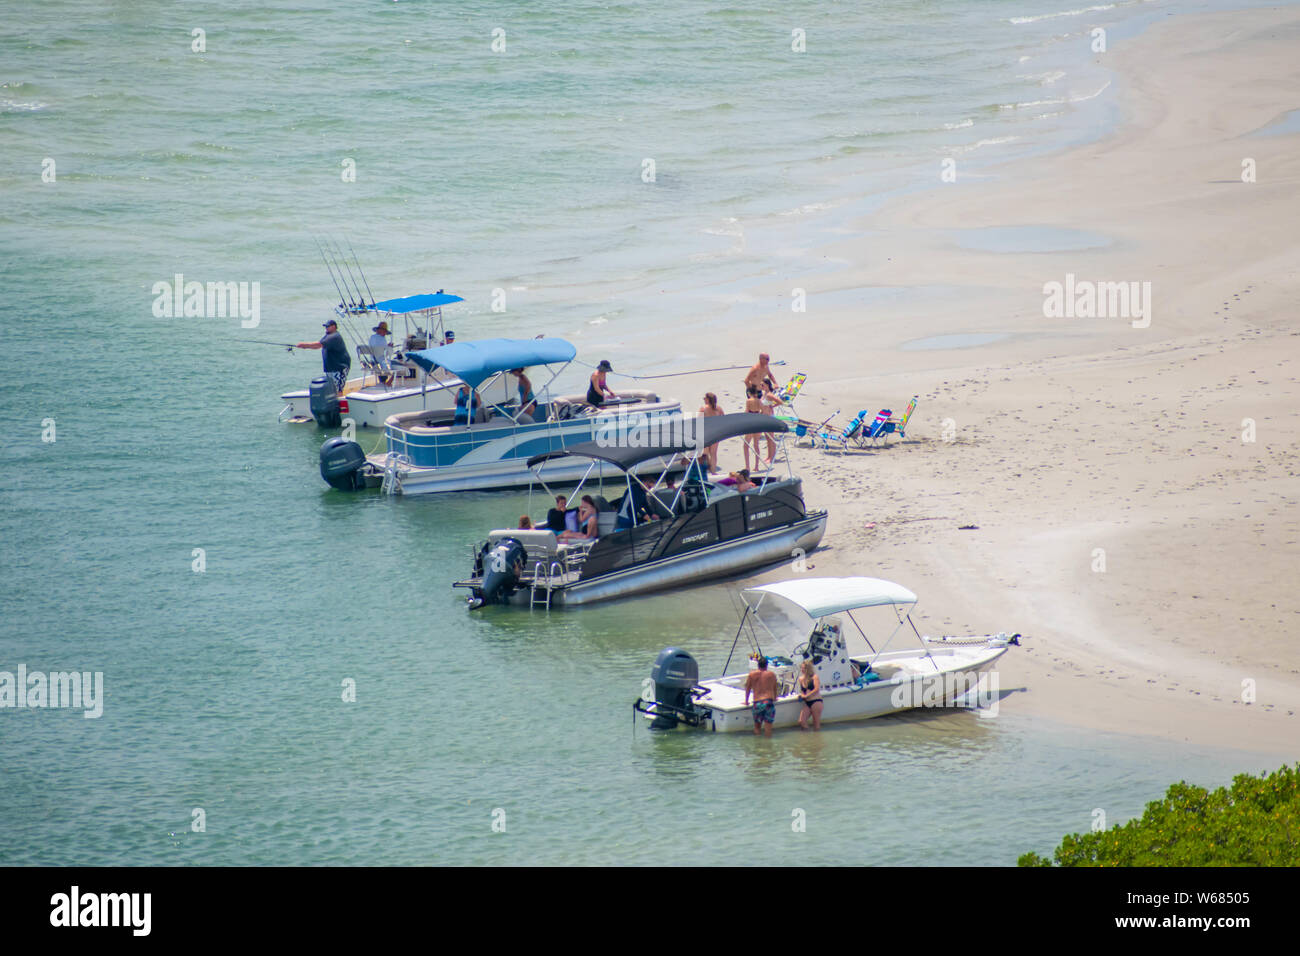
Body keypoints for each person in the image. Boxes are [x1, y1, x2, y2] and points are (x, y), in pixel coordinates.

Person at [296, 318, 352, 394]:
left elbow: (319, 345)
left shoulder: (334, 336)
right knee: (331, 389)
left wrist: (304, 345)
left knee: (337, 389)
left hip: (339, 368)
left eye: (328, 326)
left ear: (334, 327)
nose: (326, 328)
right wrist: (305, 347)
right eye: (325, 326)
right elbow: (317, 346)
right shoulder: (327, 336)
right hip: (330, 368)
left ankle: (339, 402)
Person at [744, 655, 779, 737]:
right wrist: (775, 697)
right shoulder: (771, 674)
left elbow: (748, 688)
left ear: (758, 665)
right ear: (767, 665)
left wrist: (746, 701)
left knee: (757, 727)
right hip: (768, 702)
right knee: (768, 728)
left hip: (757, 702)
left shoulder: (752, 675)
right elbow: (774, 688)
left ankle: (758, 747)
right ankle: (768, 746)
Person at [699, 392, 724, 472]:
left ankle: (705, 470)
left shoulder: (703, 408)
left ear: (707, 399)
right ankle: (713, 471)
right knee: (713, 453)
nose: (703, 400)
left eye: (704, 398)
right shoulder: (719, 408)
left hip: (706, 432)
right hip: (716, 432)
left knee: (705, 453)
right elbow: (724, 419)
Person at [797, 660, 823, 731]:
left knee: (816, 724)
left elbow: (816, 689)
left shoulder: (814, 677)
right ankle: (808, 738)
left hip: (816, 702)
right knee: (801, 721)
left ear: (808, 668)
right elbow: (802, 691)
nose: (802, 670)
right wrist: (802, 695)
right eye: (801, 668)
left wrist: (807, 695)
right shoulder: (801, 679)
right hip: (808, 703)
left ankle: (817, 739)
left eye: (804, 668)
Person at [368, 321, 393, 385]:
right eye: (384, 331)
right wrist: (389, 347)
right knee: (398, 366)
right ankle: (388, 383)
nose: (385, 333)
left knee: (382, 364)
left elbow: (379, 348)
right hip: (381, 363)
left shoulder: (372, 337)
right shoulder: (382, 339)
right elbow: (385, 354)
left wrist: (386, 347)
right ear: (380, 330)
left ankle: (383, 382)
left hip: (373, 361)